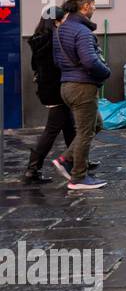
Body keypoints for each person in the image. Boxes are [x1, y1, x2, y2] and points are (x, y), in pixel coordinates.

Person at [51, 0, 110, 190]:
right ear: (85, 6)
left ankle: (65, 159)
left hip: (67, 85)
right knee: (85, 132)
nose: (94, 7)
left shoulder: (61, 29)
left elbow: (56, 60)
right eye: (93, 4)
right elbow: (90, 61)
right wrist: (106, 72)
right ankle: (78, 177)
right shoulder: (82, 31)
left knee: (96, 125)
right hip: (82, 87)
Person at [24, 12, 76, 185]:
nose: (65, 23)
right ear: (56, 21)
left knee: (69, 126)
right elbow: (60, 64)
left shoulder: (38, 39)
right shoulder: (54, 40)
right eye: (64, 20)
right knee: (52, 130)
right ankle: (32, 169)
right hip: (56, 90)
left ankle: (77, 161)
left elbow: (33, 66)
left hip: (46, 89)